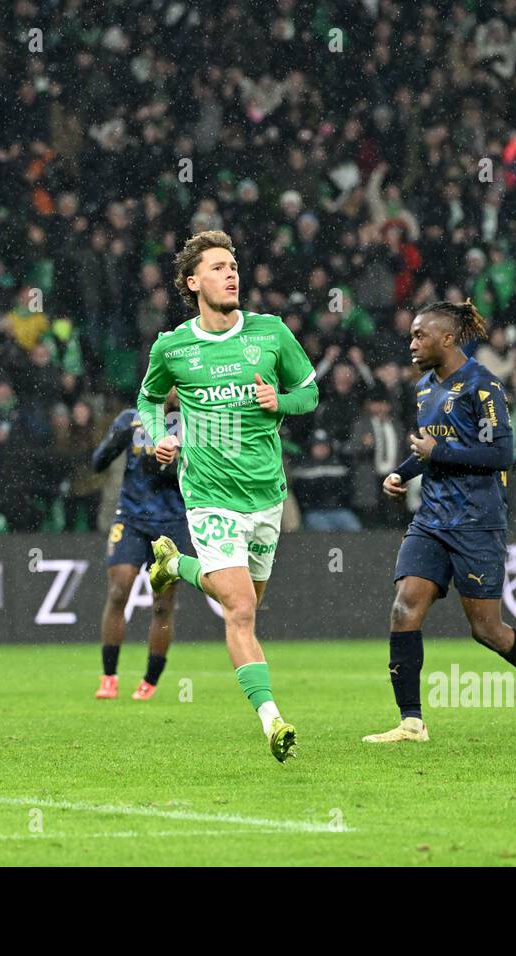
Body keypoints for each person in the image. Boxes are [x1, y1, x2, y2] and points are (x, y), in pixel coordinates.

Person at [364, 299, 516, 744]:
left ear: (447, 338)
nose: (411, 344)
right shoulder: (425, 388)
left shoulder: (484, 387)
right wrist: (401, 473)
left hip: (477, 521)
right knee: (404, 609)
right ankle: (411, 722)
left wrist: (434, 454)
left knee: (485, 629)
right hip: (432, 519)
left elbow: (501, 455)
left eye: (419, 335)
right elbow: (430, 446)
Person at [137, 230, 319, 762]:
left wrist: (280, 399)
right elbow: (148, 401)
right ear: (193, 283)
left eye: (234, 265)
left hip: (267, 495)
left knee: (247, 601)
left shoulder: (271, 333)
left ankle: (177, 567)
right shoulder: (172, 347)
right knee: (240, 607)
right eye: (218, 267)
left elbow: (310, 392)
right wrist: (158, 438)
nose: (231, 273)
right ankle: (273, 721)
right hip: (208, 492)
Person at [90, 388, 191, 701]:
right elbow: (98, 462)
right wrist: (114, 442)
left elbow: (199, 472)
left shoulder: (193, 422)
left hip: (172, 521)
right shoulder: (132, 420)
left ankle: (150, 679)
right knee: (119, 590)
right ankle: (109, 677)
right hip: (132, 517)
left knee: (162, 603)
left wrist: (172, 461)